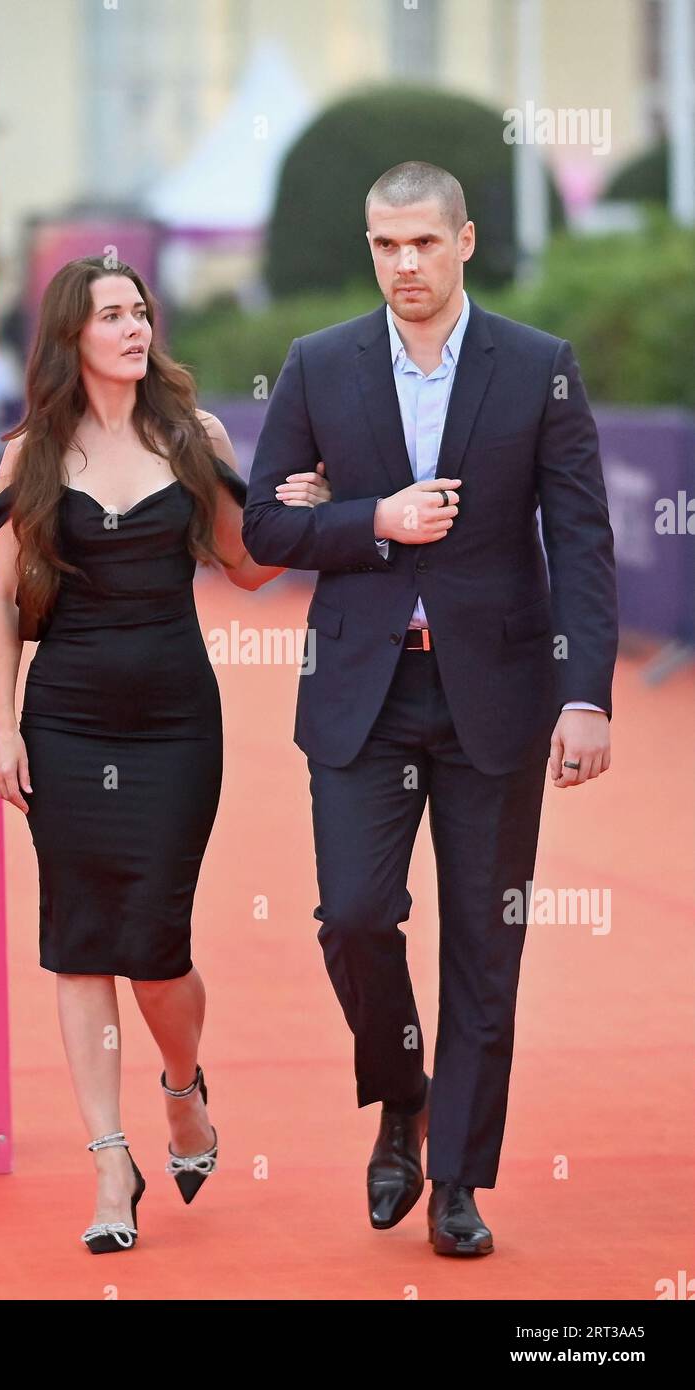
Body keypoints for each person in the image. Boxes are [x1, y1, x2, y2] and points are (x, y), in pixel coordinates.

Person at [241, 161, 617, 1256]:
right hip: (361, 691)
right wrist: (373, 521)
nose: (402, 263)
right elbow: (264, 528)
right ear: (369, 249)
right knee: (354, 917)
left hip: (494, 695)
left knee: (482, 950)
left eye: (420, 243)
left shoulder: (538, 367)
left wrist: (585, 693)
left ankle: (455, 1175)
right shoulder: (317, 363)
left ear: (460, 241)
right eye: (382, 245)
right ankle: (400, 1092)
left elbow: (581, 541)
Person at [0, 255, 330, 1254]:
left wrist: (296, 508)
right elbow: (2, 602)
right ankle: (106, 1164)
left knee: (155, 945)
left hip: (176, 720)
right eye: (111, 315)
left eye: (140, 311)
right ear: (70, 336)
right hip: (67, 716)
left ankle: (183, 1089)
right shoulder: (31, 452)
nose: (134, 328)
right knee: (81, 940)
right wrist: (1, 727)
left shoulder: (192, 435)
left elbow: (247, 566)